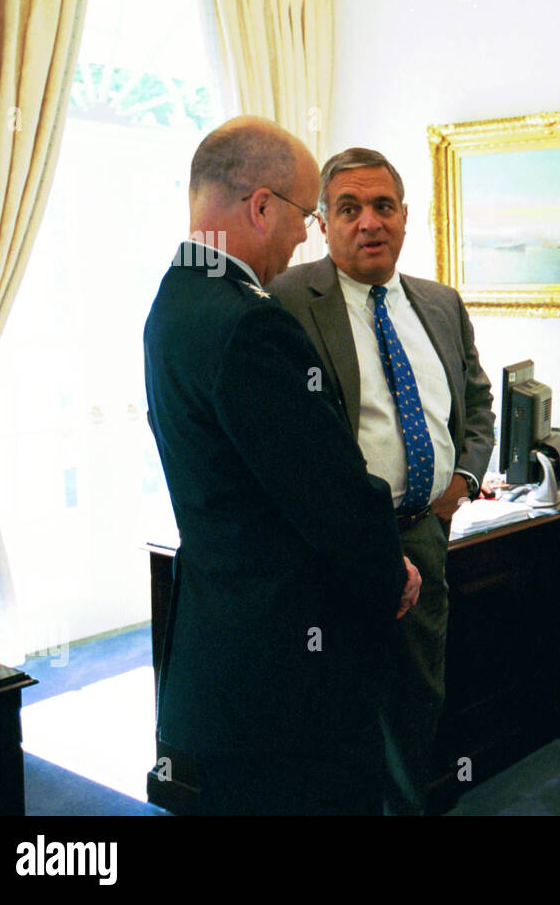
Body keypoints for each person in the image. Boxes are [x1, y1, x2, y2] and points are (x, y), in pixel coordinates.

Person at [144, 116, 419, 815]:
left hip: (226, 666)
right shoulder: (250, 323)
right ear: (262, 205)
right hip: (290, 679)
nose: (305, 236)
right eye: (304, 215)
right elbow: (326, 493)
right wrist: (392, 571)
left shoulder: (175, 300)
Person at [269, 147, 495, 815]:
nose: (370, 222)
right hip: (333, 554)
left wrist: (461, 482)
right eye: (350, 208)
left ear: (404, 217)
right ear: (322, 222)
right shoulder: (285, 300)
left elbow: (477, 404)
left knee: (415, 705)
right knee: (337, 713)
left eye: (383, 206)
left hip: (422, 534)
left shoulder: (441, 302)